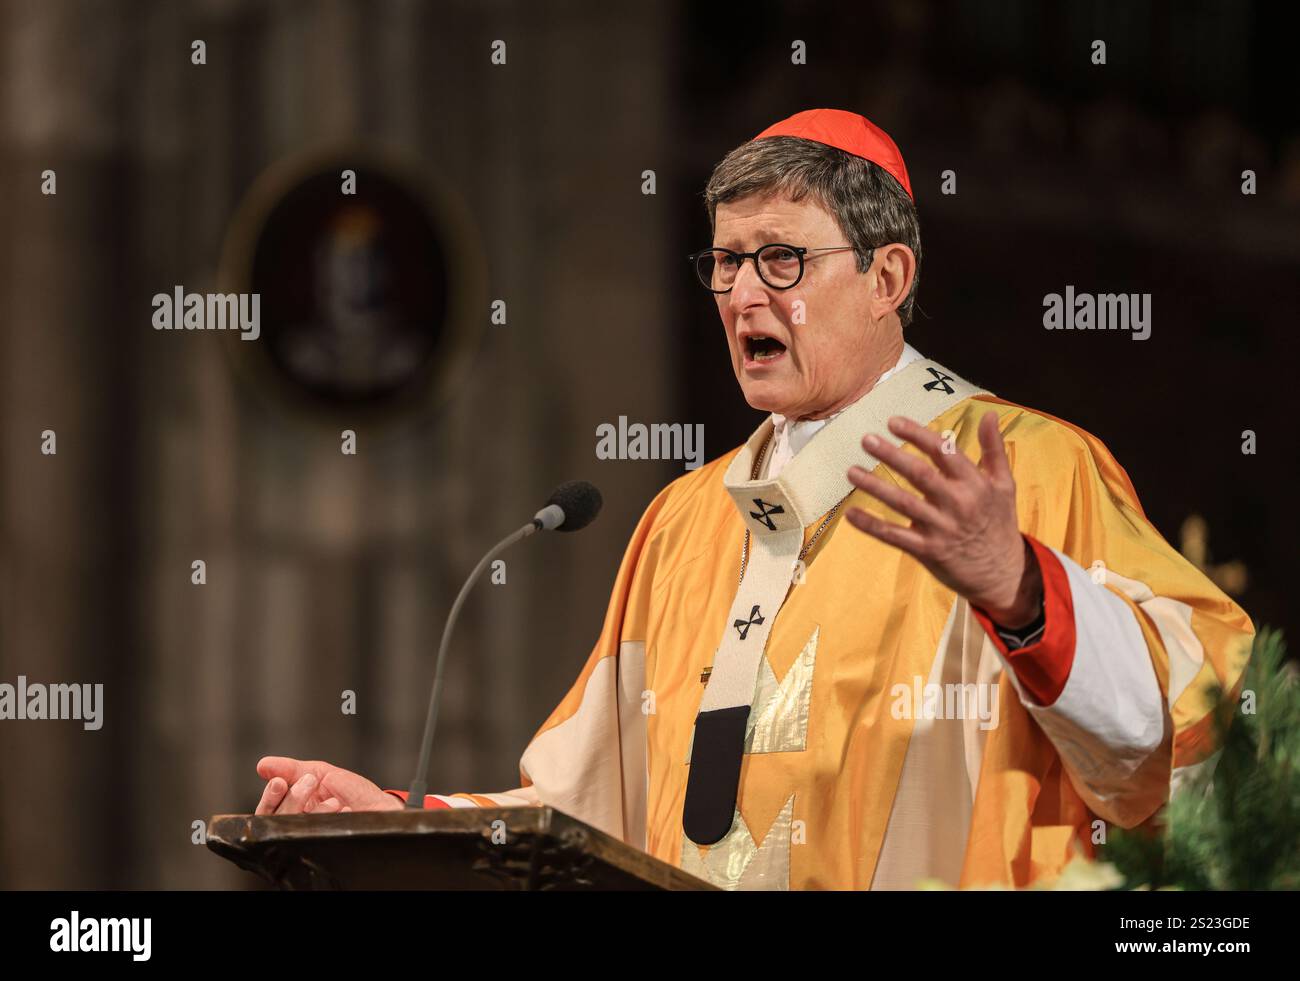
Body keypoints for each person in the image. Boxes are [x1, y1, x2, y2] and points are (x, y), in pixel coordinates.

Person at [253, 108, 1254, 890]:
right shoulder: (686, 520)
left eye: (782, 258)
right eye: (726, 261)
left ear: (886, 276)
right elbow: (589, 807)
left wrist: (1023, 593)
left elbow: (1206, 732)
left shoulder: (1023, 468)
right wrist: (392, 824)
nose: (741, 294)